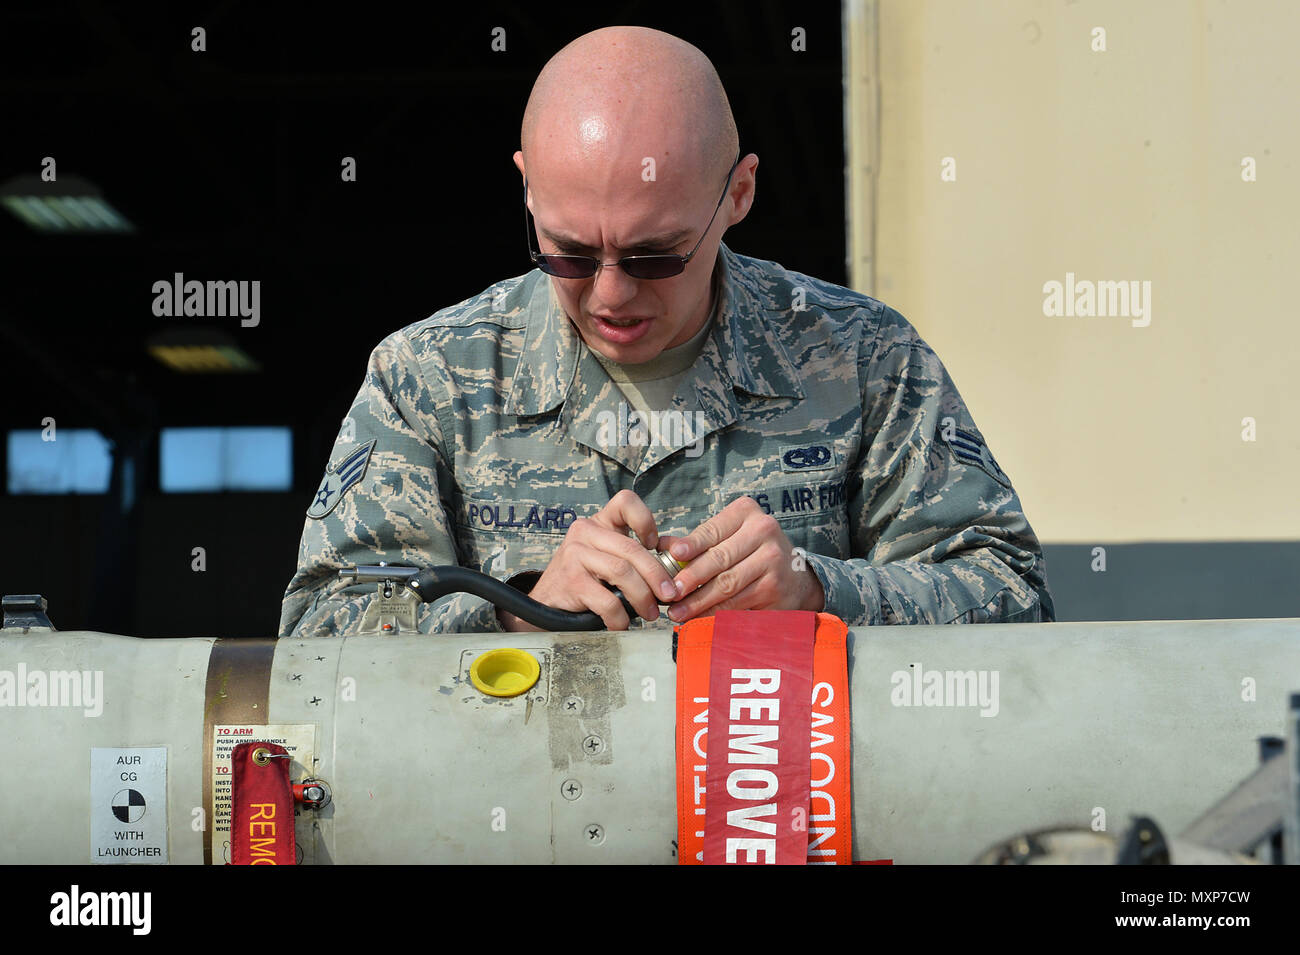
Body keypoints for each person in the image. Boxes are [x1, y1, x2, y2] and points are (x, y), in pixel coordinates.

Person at [278, 25, 1055, 638]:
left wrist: (819, 591)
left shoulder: (860, 359)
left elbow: (1015, 600)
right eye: (570, 252)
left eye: (655, 255)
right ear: (526, 188)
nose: (611, 294)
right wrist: (515, 612)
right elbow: (318, 638)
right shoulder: (431, 378)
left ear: (740, 193)